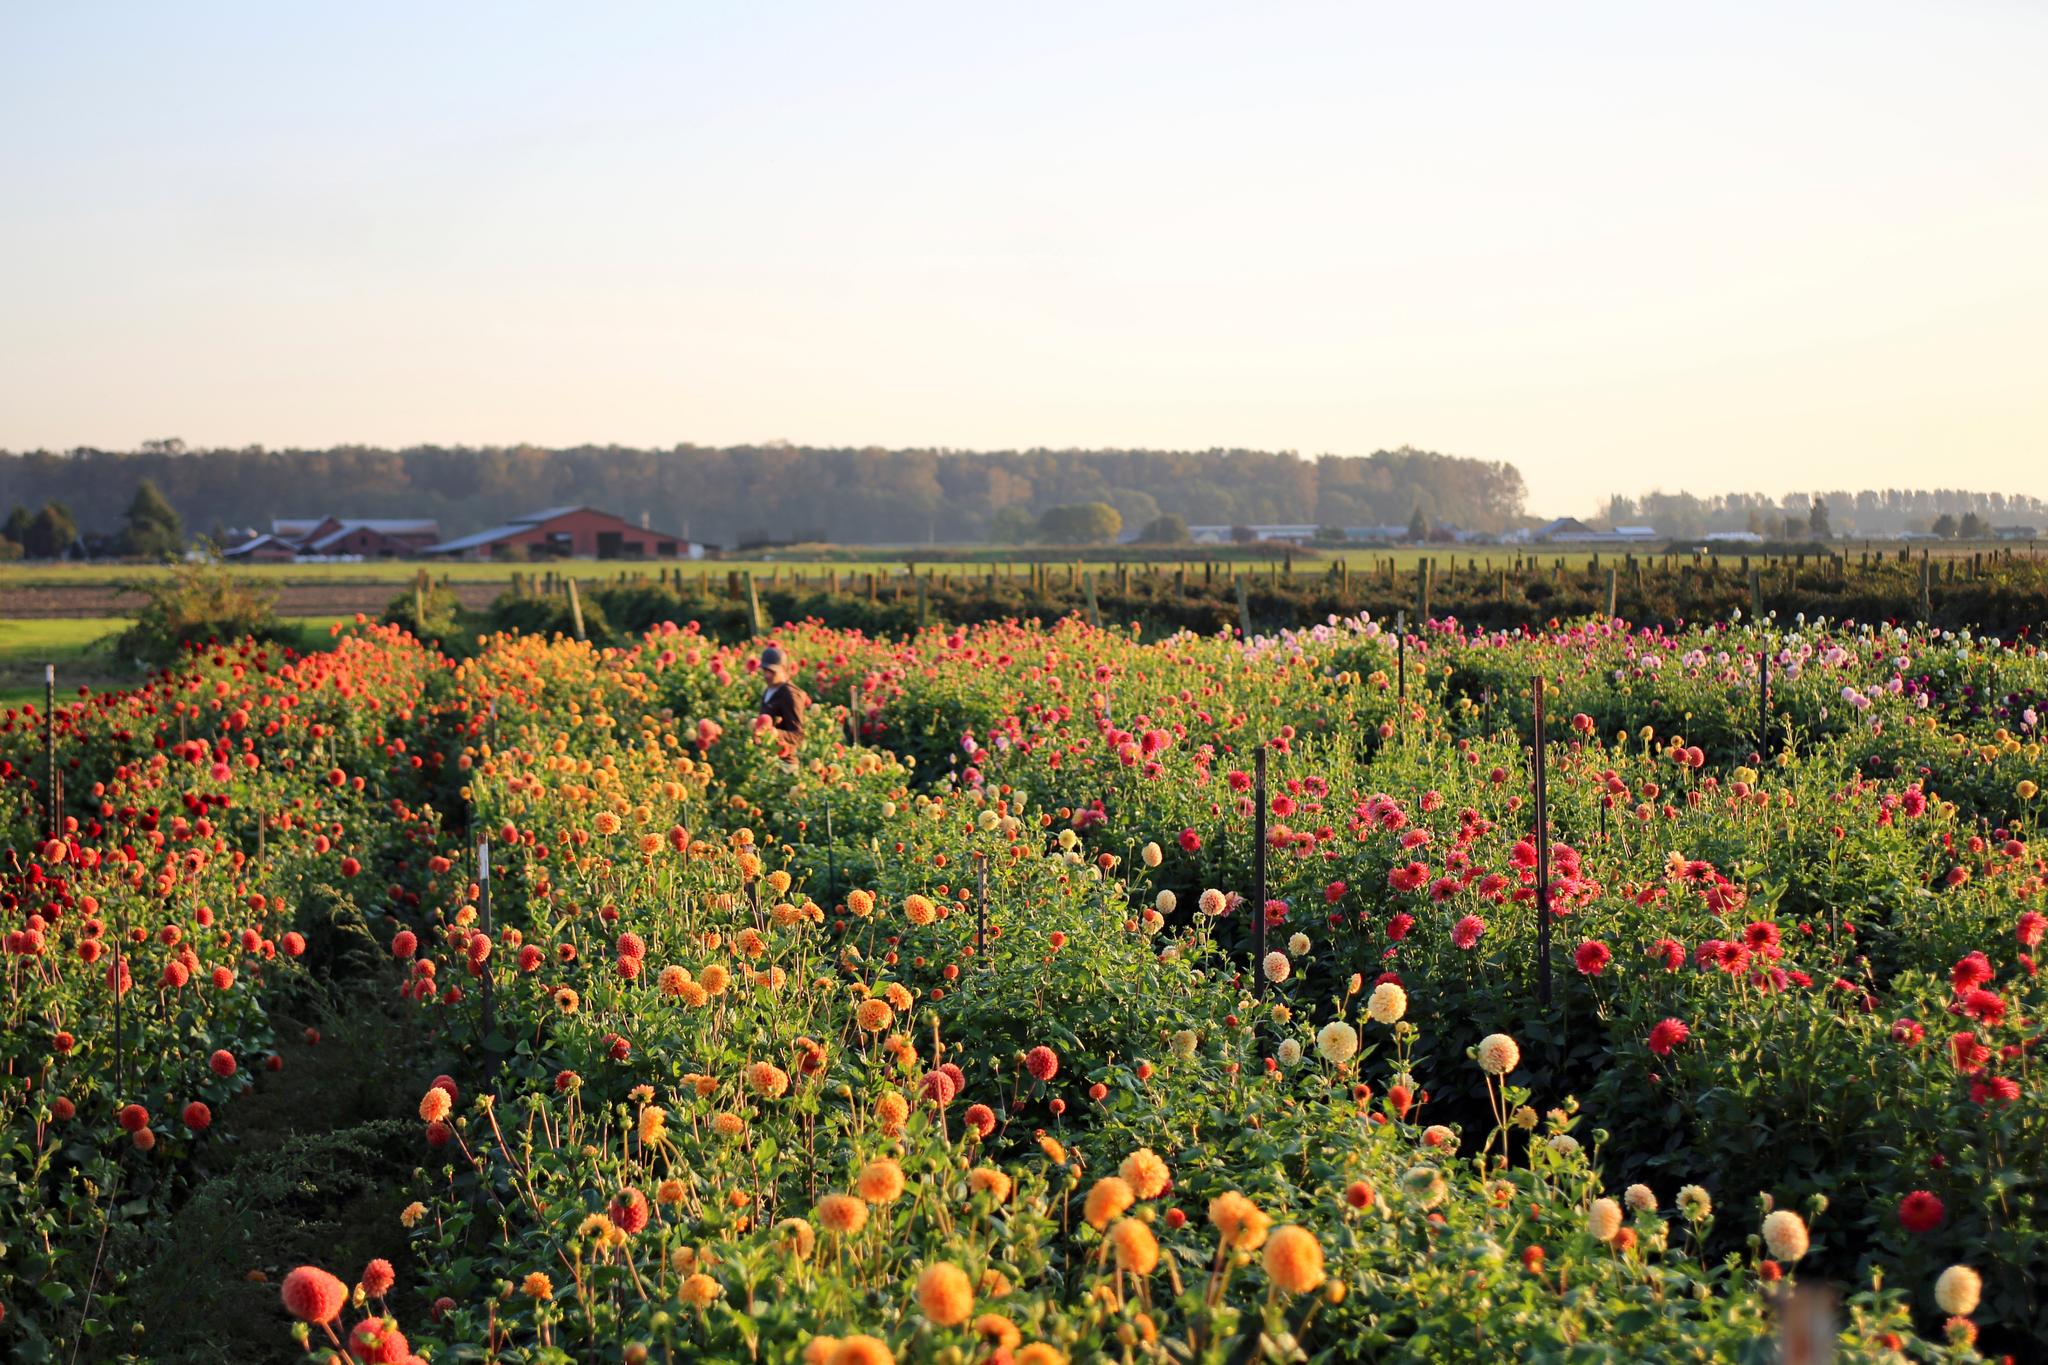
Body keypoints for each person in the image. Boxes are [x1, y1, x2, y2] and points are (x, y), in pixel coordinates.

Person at [758, 646, 808, 737]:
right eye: (765, 670)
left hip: (781, 749)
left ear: (783, 669)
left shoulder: (790, 695)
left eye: (772, 671)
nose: (767, 675)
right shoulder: (769, 688)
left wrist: (776, 734)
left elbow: (798, 735)